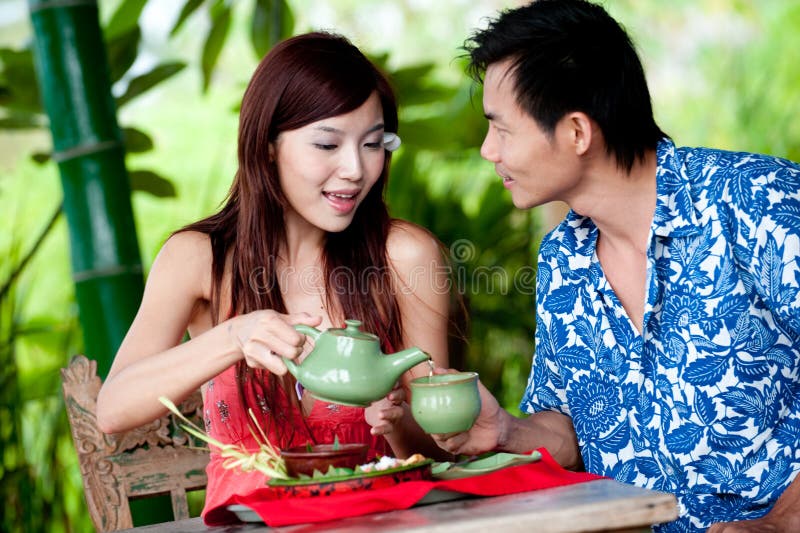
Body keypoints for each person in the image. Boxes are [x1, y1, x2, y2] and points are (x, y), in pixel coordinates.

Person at [431, 1, 800, 532]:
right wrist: (507, 431)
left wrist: (779, 523)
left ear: (577, 133)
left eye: (502, 129)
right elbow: (571, 435)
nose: (489, 151)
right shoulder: (563, 261)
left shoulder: (757, 202)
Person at [95, 32, 451, 517]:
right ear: (266, 146)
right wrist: (234, 336)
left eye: (373, 144)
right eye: (327, 143)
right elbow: (113, 409)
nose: (355, 169)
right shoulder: (200, 259)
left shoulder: (404, 256)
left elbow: (441, 452)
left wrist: (397, 426)